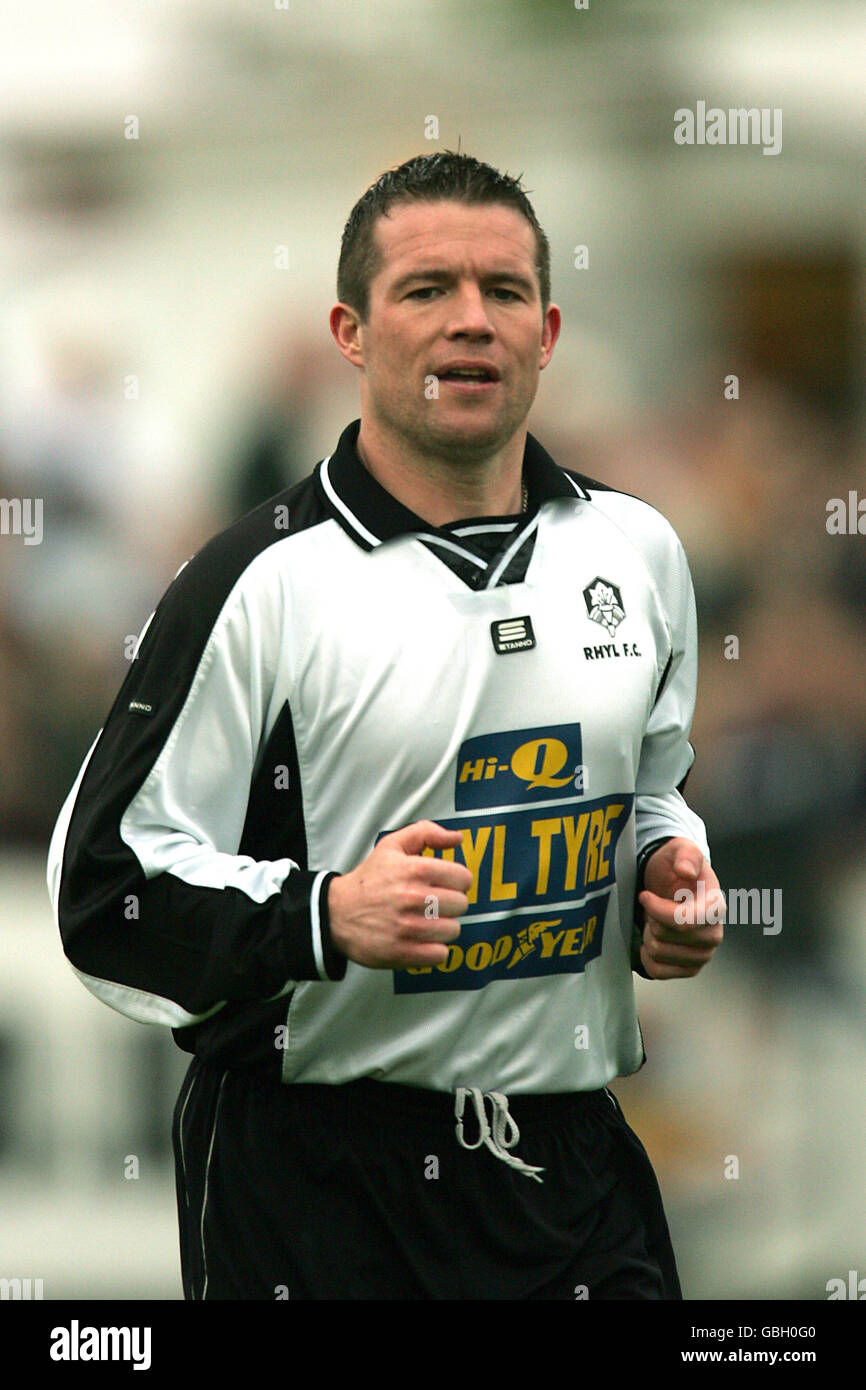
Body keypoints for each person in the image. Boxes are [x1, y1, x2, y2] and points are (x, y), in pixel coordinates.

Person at [47, 151, 724, 1301]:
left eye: (502, 292)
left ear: (546, 330)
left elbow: (650, 785)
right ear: (350, 332)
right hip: (319, 1181)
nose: (471, 322)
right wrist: (323, 914)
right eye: (426, 290)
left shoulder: (636, 551)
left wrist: (662, 867)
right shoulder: (254, 581)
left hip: (569, 1165)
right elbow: (104, 889)